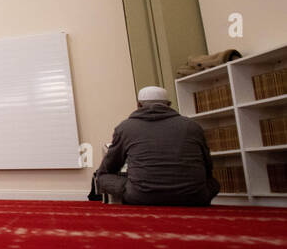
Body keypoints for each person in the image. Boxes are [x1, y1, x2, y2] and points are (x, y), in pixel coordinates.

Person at [92, 85, 220, 206]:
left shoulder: (125, 128)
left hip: (140, 196)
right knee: (213, 182)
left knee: (102, 176)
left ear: (138, 105)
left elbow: (109, 167)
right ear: (169, 105)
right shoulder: (193, 126)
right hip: (195, 197)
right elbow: (208, 166)